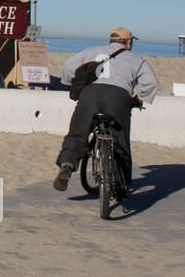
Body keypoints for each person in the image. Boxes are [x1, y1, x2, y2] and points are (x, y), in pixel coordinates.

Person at [53, 27, 158, 195]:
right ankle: (120, 185)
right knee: (120, 141)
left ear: (111, 40)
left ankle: (67, 164)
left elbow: (68, 67)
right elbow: (151, 83)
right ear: (129, 42)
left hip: (90, 94)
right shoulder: (137, 60)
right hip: (118, 97)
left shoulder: (91, 51)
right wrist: (138, 100)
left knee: (77, 133)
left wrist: (70, 84)